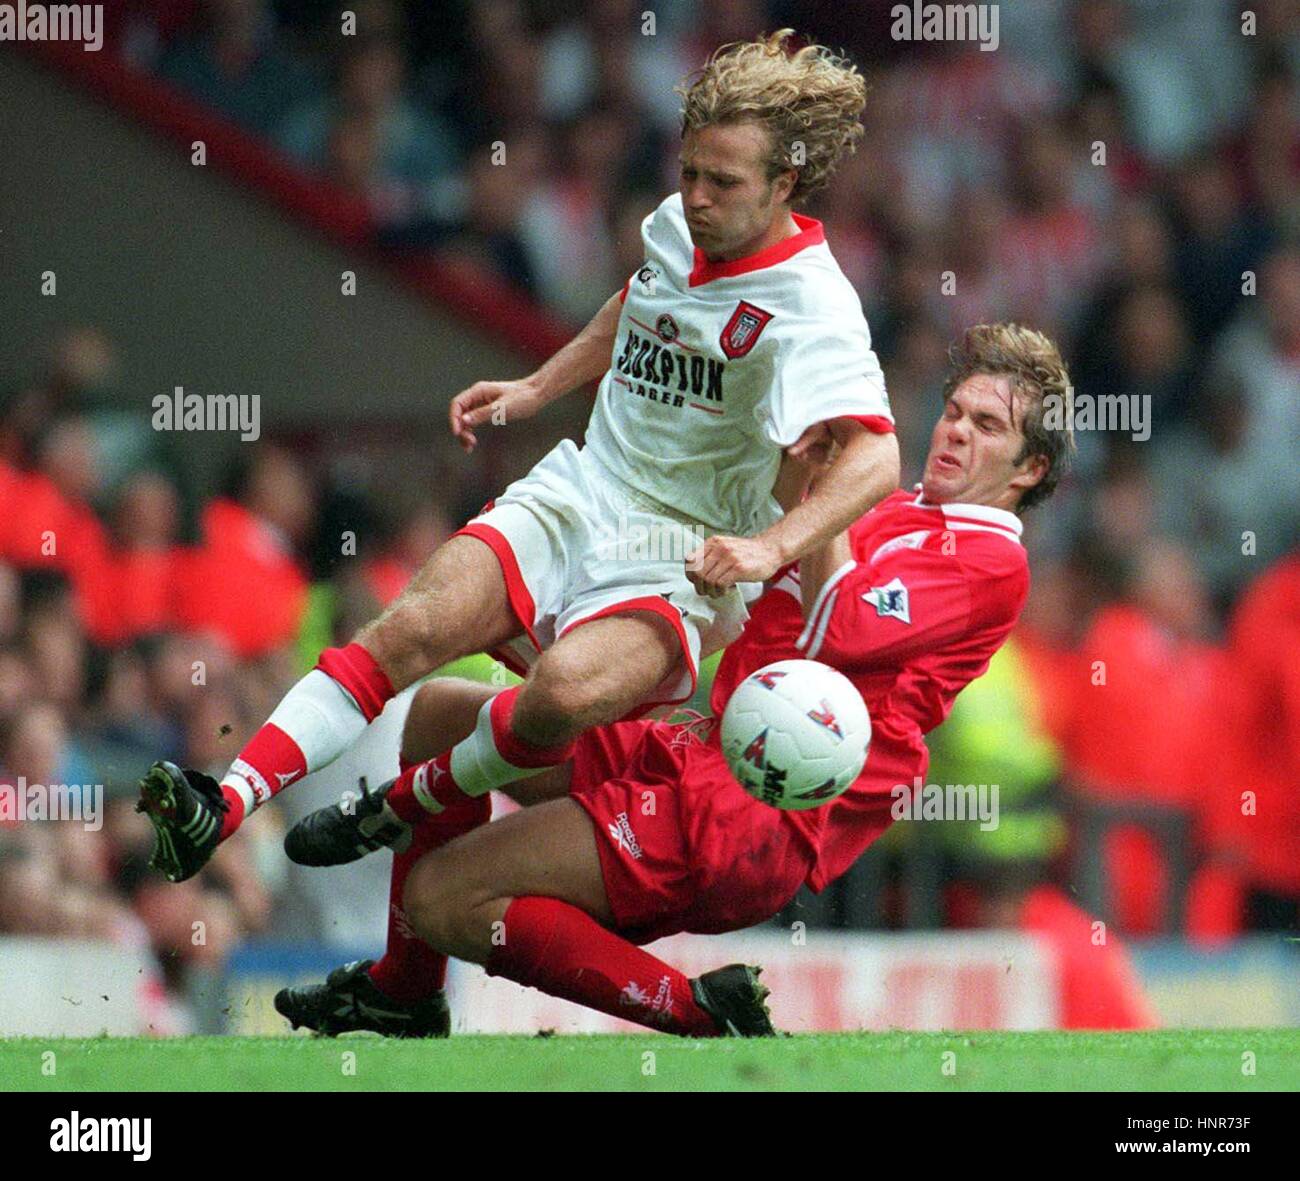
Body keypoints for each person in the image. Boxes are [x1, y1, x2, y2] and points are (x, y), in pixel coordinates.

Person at [136, 30, 899, 883]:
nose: (696, 198)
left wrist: (771, 548)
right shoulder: (676, 227)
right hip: (586, 486)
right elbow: (638, 302)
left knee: (561, 697)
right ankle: (224, 801)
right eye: (688, 173)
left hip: (685, 557)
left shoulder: (812, 302)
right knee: (410, 628)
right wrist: (538, 387)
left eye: (722, 183)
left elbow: (877, 459)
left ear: (784, 182)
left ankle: (403, 801)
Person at [276, 322, 1074, 1038]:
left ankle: (697, 1012)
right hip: (703, 747)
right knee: (443, 713)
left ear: (1029, 467)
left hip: (756, 811)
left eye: (989, 425)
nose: (958, 431)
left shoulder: (990, 560)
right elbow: (748, 601)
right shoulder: (903, 510)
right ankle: (405, 995)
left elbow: (840, 627)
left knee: (444, 899)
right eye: (958, 411)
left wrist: (823, 495)